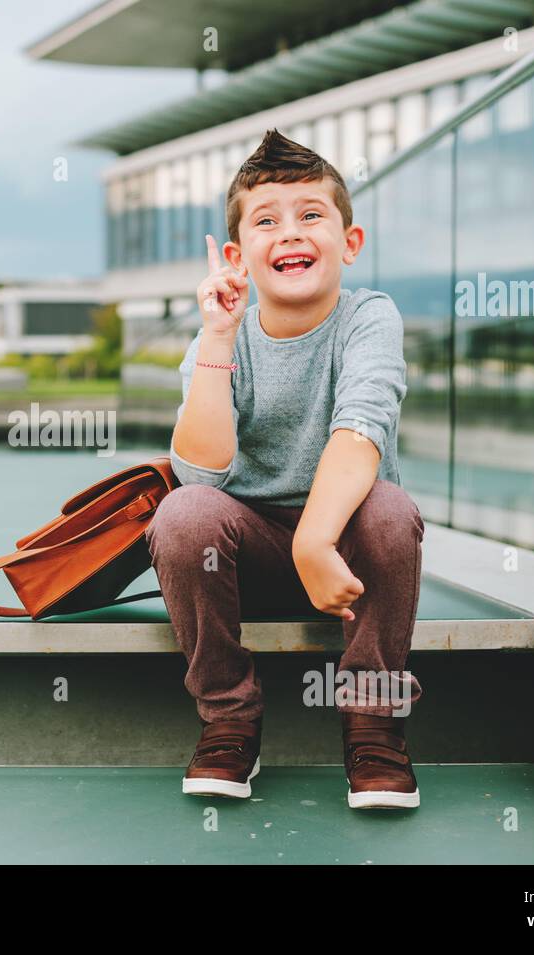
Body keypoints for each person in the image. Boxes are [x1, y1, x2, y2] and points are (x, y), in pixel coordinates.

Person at [145, 129, 425, 809]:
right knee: (181, 514)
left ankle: (373, 723)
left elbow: (361, 430)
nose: (290, 233)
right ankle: (230, 718)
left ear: (348, 243)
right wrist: (217, 336)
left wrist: (314, 538)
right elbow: (201, 474)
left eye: (310, 216)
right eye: (267, 221)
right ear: (239, 254)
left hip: (342, 564)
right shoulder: (222, 333)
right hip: (241, 565)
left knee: (388, 509)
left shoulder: (370, 318)